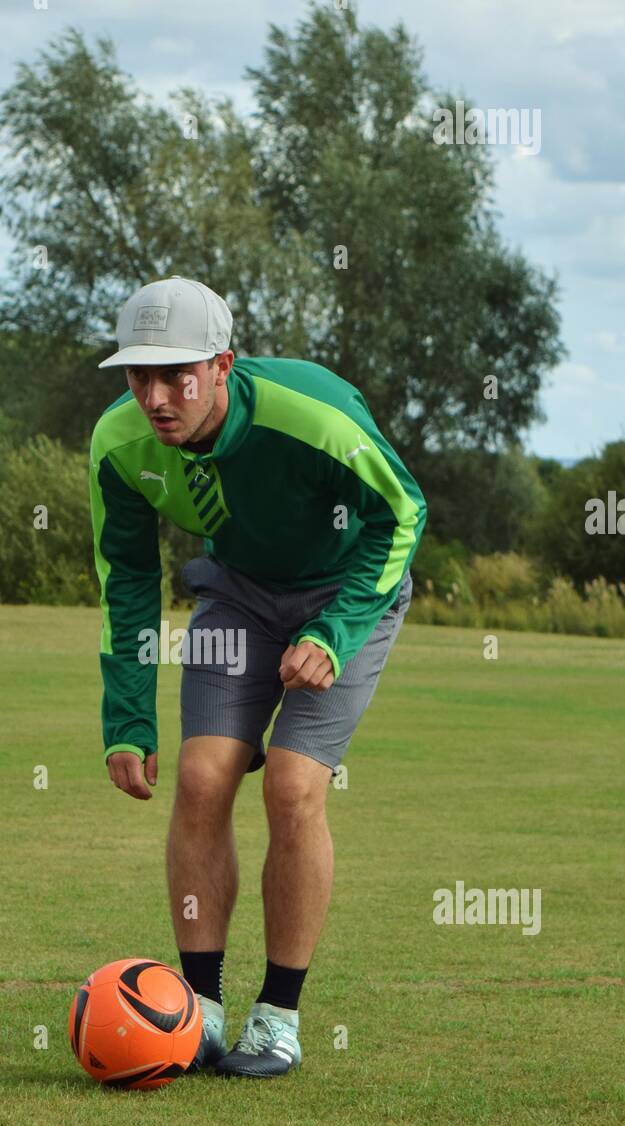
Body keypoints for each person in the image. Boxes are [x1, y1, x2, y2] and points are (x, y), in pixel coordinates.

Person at [89, 276, 426, 1078]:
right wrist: (126, 717)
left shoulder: (309, 413)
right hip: (235, 597)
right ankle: (198, 1012)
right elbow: (127, 581)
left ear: (223, 365)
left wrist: (335, 633)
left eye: (178, 375)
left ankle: (276, 1017)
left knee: (293, 787)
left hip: (348, 595)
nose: (157, 396)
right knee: (202, 779)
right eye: (140, 376)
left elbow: (402, 511)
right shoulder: (118, 445)